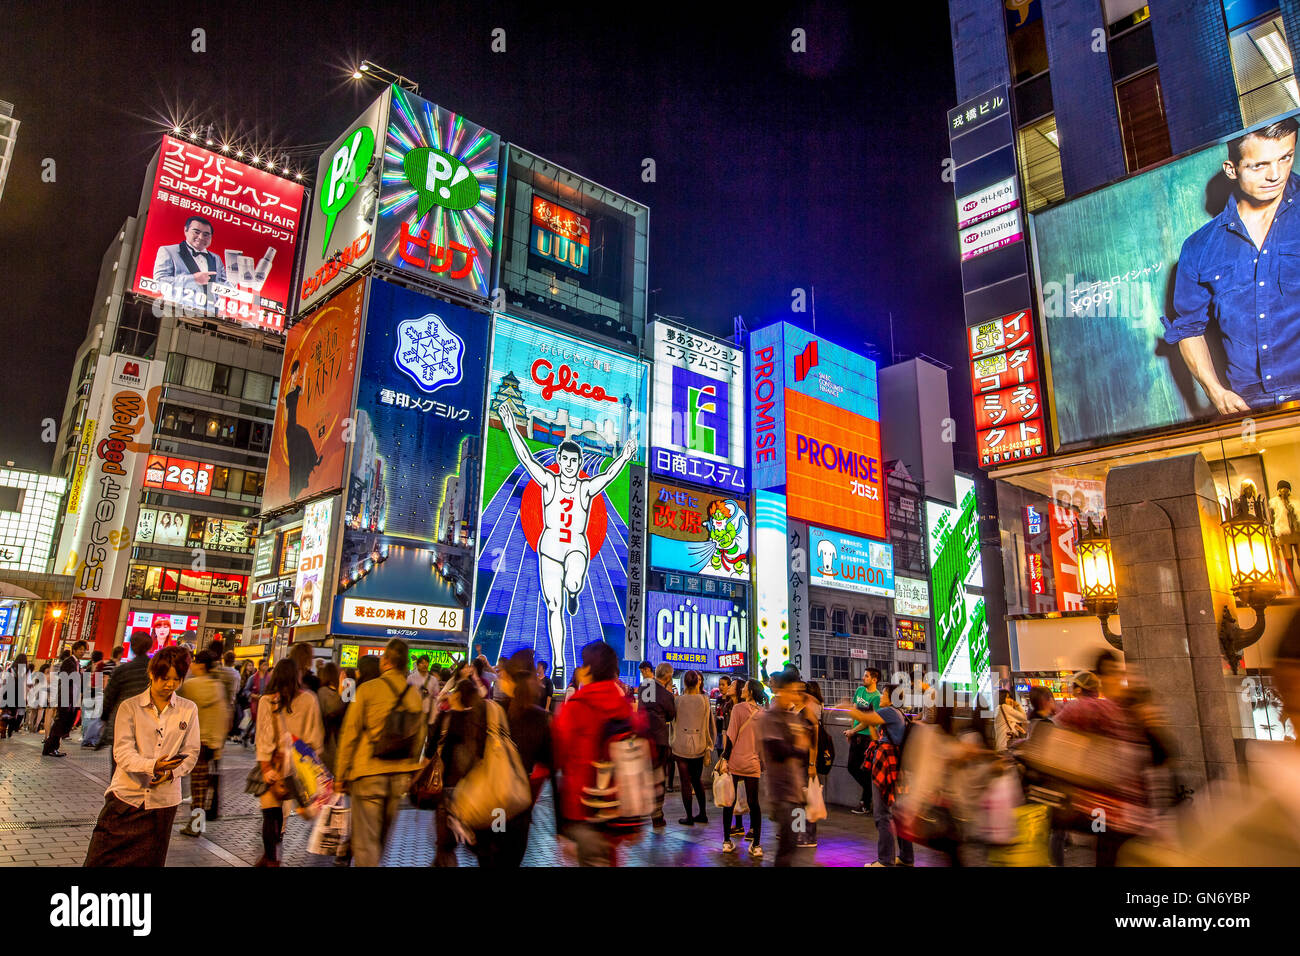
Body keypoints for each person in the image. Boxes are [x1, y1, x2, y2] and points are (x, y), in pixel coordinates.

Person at [1165, 116, 1300, 413]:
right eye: (1259, 165)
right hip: (1251, 408)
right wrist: (1215, 392)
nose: (1276, 174)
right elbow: (1188, 328)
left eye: (1286, 157)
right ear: (1231, 169)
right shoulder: (1200, 247)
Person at [498, 400, 635, 667]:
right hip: (549, 547)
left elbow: (607, 476)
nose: (570, 464)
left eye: (574, 460)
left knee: (573, 581)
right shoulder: (549, 482)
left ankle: (574, 591)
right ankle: (559, 663)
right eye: (566, 459)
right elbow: (526, 458)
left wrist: (625, 457)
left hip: (576, 545)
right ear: (559, 460)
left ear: (579, 462)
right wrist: (511, 427)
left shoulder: (584, 488)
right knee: (553, 607)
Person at [84, 646, 200, 866]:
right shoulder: (130, 707)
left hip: (162, 805)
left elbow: (192, 751)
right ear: (151, 674)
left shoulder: (188, 709)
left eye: (177, 680)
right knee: (99, 861)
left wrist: (171, 772)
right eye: (165, 678)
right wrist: (153, 766)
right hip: (126, 798)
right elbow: (122, 752)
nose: (170, 685)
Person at [552, 639, 647, 866]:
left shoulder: (575, 707)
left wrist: (561, 827)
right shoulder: (626, 708)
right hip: (617, 812)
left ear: (587, 671)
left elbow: (556, 758)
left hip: (584, 811)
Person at [335, 639, 425, 867]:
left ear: (385, 661)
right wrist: (411, 769)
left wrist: (340, 775)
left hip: (368, 775)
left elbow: (350, 734)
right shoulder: (414, 695)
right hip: (397, 779)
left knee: (367, 844)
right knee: (381, 841)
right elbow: (420, 736)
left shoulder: (367, 690)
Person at [254, 659, 324, 867]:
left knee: (271, 814)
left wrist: (265, 766)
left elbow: (263, 737)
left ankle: (272, 858)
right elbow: (315, 737)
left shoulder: (267, 701)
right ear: (297, 676)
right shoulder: (309, 699)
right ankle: (272, 856)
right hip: (299, 766)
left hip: (274, 763)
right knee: (284, 815)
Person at [846, 683, 915, 866]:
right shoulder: (898, 714)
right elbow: (876, 737)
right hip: (895, 766)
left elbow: (861, 716)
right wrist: (870, 721)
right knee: (898, 814)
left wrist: (846, 707)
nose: (881, 697)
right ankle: (906, 857)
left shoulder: (890, 712)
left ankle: (885, 861)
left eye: (884, 694)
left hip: (886, 767)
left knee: (882, 814)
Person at [759, 667, 813, 866]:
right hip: (781, 792)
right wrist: (799, 742)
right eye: (794, 690)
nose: (797, 695)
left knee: (792, 844)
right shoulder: (770, 717)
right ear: (783, 690)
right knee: (786, 846)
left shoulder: (791, 716)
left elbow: (801, 750)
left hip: (795, 791)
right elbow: (780, 751)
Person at [177, 650, 229, 835]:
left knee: (193, 786)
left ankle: (195, 826)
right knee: (201, 787)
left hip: (194, 741)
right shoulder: (218, 687)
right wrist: (218, 744)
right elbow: (223, 716)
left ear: (199, 665)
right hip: (211, 744)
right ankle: (197, 824)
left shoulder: (190, 686)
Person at [717, 678, 766, 857]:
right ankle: (757, 845)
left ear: (750, 692)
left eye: (745, 687)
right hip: (753, 762)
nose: (743, 689)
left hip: (736, 760)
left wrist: (725, 758)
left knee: (729, 801)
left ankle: (727, 841)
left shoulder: (738, 709)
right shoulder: (763, 713)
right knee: (754, 803)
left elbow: (731, 737)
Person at [151, 214, 228, 309]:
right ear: (185, 230)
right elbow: (159, 282)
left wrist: (236, 282)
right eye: (196, 232)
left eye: (206, 234)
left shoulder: (216, 258)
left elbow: (223, 286)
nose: (201, 237)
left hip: (209, 314)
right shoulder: (168, 251)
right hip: (176, 308)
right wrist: (193, 279)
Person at [671, 670, 715, 826]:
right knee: (697, 780)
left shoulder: (677, 701)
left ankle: (688, 817)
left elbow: (672, 721)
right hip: (699, 745)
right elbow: (710, 726)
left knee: (685, 782)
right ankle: (702, 813)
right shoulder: (705, 700)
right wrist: (709, 745)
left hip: (681, 745)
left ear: (684, 683)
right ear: (698, 682)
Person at [639, 661, 676, 826]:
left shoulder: (644, 687)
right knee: (659, 776)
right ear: (668, 677)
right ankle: (657, 815)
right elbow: (671, 715)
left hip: (643, 737)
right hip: (660, 739)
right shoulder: (667, 695)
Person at [844, 667, 881, 814]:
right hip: (855, 735)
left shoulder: (877, 697)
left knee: (865, 769)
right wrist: (850, 731)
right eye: (864, 675)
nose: (863, 678)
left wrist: (854, 730)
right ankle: (868, 794)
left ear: (874, 679)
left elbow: (869, 720)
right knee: (852, 766)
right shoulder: (860, 691)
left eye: (866, 676)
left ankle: (866, 801)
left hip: (867, 737)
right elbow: (854, 712)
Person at [43, 640, 87, 757]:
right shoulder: (69, 662)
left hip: (72, 697)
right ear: (74, 650)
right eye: (80, 649)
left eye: (84, 650)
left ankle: (51, 747)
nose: (82, 652)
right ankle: (50, 748)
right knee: (60, 723)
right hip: (65, 696)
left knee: (63, 723)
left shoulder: (77, 663)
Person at [799, 681, 826, 848]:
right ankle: (800, 833)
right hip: (799, 760)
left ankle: (809, 835)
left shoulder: (809, 710)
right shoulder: (797, 709)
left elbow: (813, 739)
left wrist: (811, 763)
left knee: (807, 797)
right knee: (800, 797)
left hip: (806, 760)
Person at [317, 662, 346, 777]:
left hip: (332, 739)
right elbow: (334, 709)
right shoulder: (324, 692)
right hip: (331, 739)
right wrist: (342, 695)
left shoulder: (321, 692)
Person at [78, 651, 106, 748]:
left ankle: (86, 737)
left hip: (88, 695)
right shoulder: (102, 668)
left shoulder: (90, 669)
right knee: (96, 718)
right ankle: (92, 739)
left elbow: (83, 684)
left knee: (87, 717)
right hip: (98, 695)